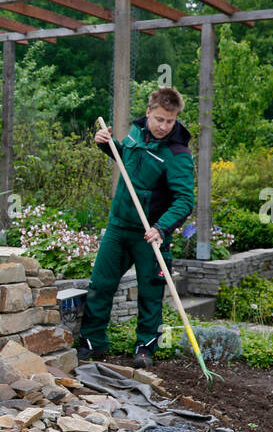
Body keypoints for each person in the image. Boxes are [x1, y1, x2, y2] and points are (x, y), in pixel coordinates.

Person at [77, 87, 195, 369]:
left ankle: (145, 347)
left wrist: (161, 228)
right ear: (148, 113)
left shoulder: (178, 153)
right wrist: (107, 144)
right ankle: (93, 342)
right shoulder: (134, 133)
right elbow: (128, 161)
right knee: (100, 284)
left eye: (170, 121)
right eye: (159, 119)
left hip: (150, 233)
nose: (164, 126)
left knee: (150, 292)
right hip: (119, 227)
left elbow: (184, 200)